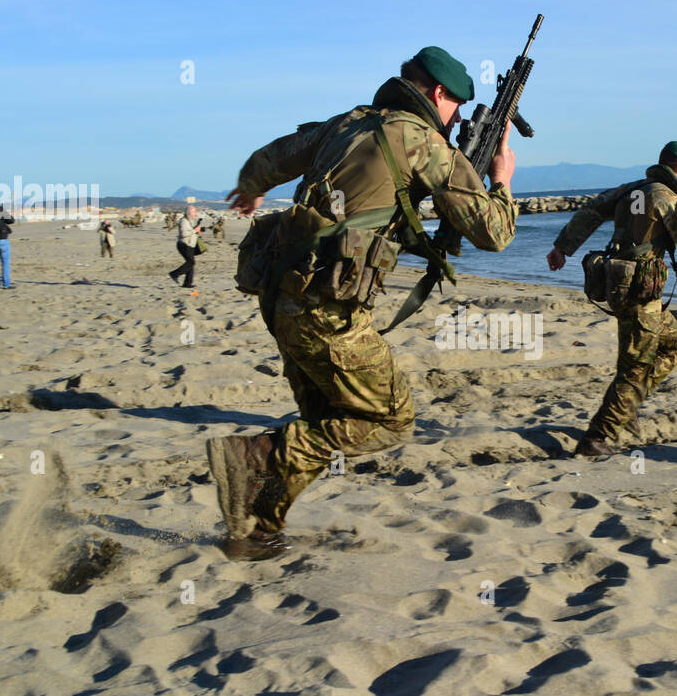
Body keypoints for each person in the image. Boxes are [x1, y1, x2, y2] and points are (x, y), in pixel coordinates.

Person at [208, 44, 517, 560]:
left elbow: (274, 155)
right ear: (439, 93)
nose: (457, 117)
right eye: (455, 106)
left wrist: (250, 187)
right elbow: (494, 233)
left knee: (325, 421)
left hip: (281, 294)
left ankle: (256, 531)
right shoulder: (420, 141)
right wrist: (502, 178)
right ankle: (254, 453)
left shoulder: (347, 122)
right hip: (327, 310)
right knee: (388, 421)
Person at [547, 140, 677, 456]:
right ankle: (596, 438)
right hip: (641, 292)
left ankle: (627, 406)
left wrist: (563, 247)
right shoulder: (665, 196)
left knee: (673, 343)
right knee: (635, 368)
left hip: (621, 285)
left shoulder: (633, 189)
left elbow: (591, 211)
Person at [169, 205, 203, 287]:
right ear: (189, 213)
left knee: (190, 264)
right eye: (194, 211)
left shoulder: (190, 221)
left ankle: (187, 283)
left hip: (190, 244)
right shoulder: (183, 221)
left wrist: (198, 231)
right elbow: (184, 234)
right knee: (191, 262)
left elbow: (191, 231)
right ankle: (174, 274)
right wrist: (195, 230)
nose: (195, 213)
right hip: (184, 244)